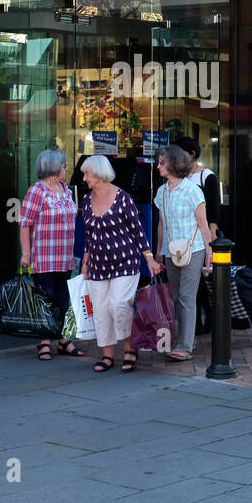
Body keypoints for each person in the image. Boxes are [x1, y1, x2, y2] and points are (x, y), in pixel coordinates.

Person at [80, 155, 163, 372]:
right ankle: (107, 355)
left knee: (119, 304)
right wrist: (85, 263)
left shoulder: (123, 198)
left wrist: (149, 258)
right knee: (100, 309)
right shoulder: (86, 200)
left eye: (87, 173)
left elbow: (137, 230)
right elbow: (89, 235)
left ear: (98, 173)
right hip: (98, 264)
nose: (84, 178)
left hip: (125, 261)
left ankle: (129, 349)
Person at [18, 149, 83, 361]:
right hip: (44, 256)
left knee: (65, 299)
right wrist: (26, 254)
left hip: (65, 255)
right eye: (63, 166)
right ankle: (44, 343)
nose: (66, 169)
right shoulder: (37, 190)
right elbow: (25, 223)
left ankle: (64, 341)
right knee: (46, 299)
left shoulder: (65, 189)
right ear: (54, 168)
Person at [154, 144, 214, 362]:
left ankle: (185, 345)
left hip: (193, 249)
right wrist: (159, 251)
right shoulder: (162, 192)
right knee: (177, 297)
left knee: (187, 297)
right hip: (171, 250)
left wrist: (209, 252)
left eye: (162, 162)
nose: (158, 165)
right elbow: (162, 224)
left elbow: (203, 224)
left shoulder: (192, 190)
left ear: (174, 163)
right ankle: (187, 339)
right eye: (158, 161)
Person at [176, 136, 221, 241]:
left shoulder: (207, 176)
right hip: (181, 233)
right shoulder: (178, 175)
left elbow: (214, 207)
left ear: (192, 154)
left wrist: (212, 232)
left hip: (201, 233)